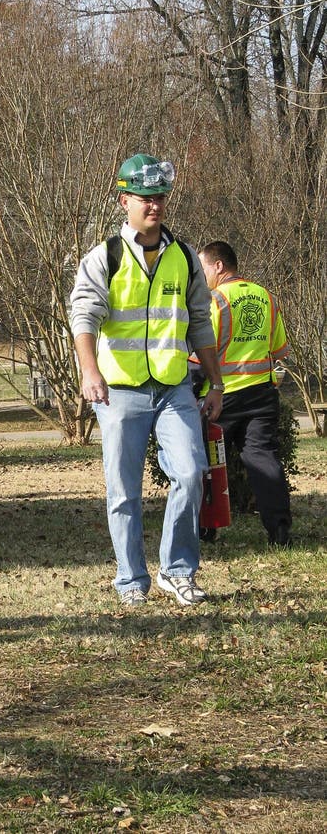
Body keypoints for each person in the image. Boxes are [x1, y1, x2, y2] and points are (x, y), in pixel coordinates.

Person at [69, 153, 225, 608]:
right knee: (123, 491)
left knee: (192, 473)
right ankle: (131, 580)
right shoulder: (104, 257)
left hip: (174, 387)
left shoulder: (184, 258)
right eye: (144, 197)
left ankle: (177, 571)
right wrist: (90, 372)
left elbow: (200, 322)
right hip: (119, 391)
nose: (153, 205)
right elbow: (83, 317)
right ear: (124, 201)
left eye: (159, 197)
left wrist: (214, 384)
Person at [196, 240, 292, 546]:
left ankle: (205, 527)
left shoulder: (214, 300)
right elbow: (279, 349)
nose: (201, 275)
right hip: (263, 394)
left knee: (202, 462)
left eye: (203, 268)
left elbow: (200, 353)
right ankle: (279, 530)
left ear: (219, 266)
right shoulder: (267, 297)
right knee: (263, 460)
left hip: (221, 397)